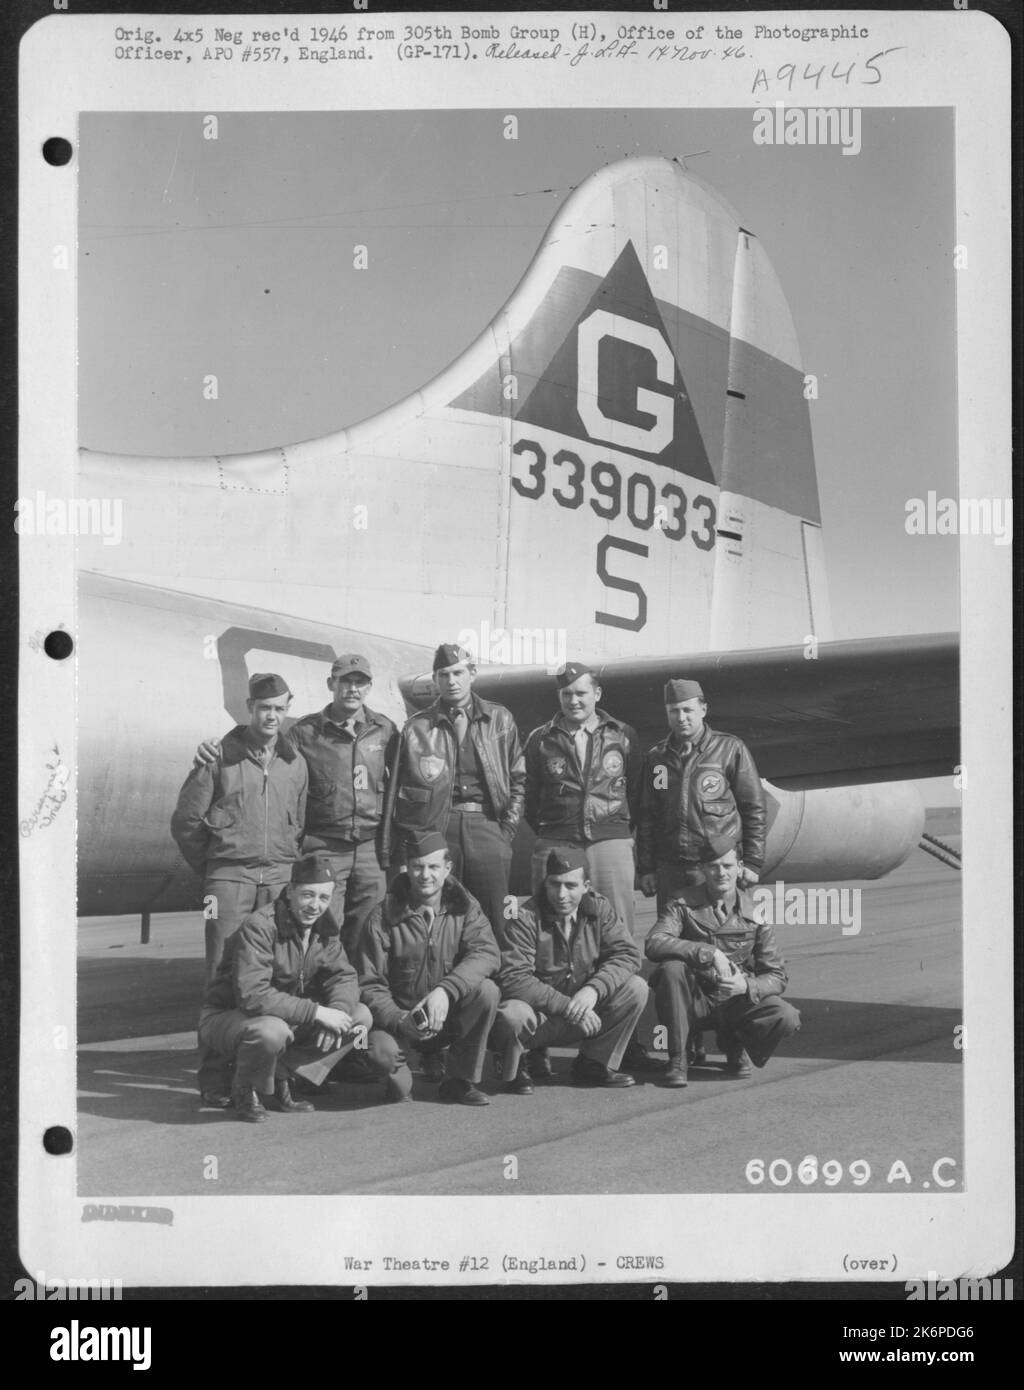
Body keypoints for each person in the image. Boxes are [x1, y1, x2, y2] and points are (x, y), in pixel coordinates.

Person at [192, 654, 397, 960]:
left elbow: (399, 786)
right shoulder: (305, 733)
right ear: (332, 684)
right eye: (345, 681)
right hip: (326, 846)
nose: (353, 689)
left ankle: (362, 997)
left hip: (369, 849)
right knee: (325, 927)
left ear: (368, 687)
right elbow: (267, 758)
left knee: (369, 929)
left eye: (360, 682)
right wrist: (216, 746)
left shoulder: (385, 729)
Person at [380, 643, 524, 1079]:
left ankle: (500, 1039)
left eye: (459, 673)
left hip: (486, 828)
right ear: (436, 680)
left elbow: (517, 776)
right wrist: (407, 850)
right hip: (439, 834)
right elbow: (399, 793)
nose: (452, 682)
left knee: (496, 933)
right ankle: (436, 1041)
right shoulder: (417, 727)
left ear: (473, 673)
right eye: (443, 676)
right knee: (438, 930)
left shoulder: (499, 718)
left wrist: (506, 831)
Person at [171, 672, 308, 1105]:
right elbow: (187, 823)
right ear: (250, 707)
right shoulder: (217, 757)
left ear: (288, 709)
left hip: (280, 880)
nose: (271, 716)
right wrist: (217, 869)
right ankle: (214, 1079)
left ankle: (272, 1081)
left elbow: (298, 824)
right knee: (220, 975)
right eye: (264, 707)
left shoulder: (294, 762)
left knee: (278, 975)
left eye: (280, 708)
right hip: (229, 882)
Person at [197, 853, 412, 1122]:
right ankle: (245, 1088)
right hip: (232, 1018)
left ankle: (281, 1075)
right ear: (290, 891)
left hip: (286, 1015)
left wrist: (336, 1010)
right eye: (308, 895)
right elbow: (253, 995)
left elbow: (343, 978)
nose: (315, 905)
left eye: (324, 898)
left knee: (359, 1016)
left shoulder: (325, 930)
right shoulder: (260, 926)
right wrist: (317, 1013)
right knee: (270, 1032)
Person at [522, 661, 658, 1075]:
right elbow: (530, 797)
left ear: (597, 694)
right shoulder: (540, 740)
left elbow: (636, 792)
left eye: (581, 693)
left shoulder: (623, 736)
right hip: (557, 839)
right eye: (566, 694)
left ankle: (622, 1041)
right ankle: (537, 1042)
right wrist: (555, 830)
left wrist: (615, 831)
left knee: (618, 937)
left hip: (610, 839)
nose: (574, 700)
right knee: (546, 936)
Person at [356, 830, 501, 1106]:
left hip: (447, 1017)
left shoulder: (465, 907)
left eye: (433, 867)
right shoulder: (382, 917)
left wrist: (445, 991)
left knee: (487, 991)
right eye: (418, 867)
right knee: (379, 1054)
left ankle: (459, 1080)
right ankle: (400, 1078)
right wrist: (400, 1019)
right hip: (401, 1022)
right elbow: (369, 983)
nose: (425, 875)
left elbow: (487, 953)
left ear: (447, 869)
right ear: (406, 868)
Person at [644, 834, 800, 1089]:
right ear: (703, 869)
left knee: (786, 1015)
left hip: (735, 1000)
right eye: (713, 866)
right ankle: (678, 1058)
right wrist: (708, 953)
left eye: (727, 866)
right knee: (671, 970)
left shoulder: (755, 914)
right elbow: (655, 941)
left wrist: (746, 987)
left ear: (739, 868)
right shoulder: (681, 903)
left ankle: (734, 1042)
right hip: (695, 1000)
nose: (721, 873)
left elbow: (777, 976)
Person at [492, 847, 649, 1093]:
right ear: (545, 883)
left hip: (584, 1010)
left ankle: (593, 1063)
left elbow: (627, 954)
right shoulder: (524, 917)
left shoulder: (599, 909)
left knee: (636, 988)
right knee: (512, 1014)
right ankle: (515, 1066)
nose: (562, 894)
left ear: (586, 885)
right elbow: (514, 978)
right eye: (555, 884)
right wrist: (566, 1006)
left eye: (570, 886)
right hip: (541, 1017)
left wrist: (594, 990)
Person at [637, 678, 766, 913]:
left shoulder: (729, 749)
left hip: (715, 868)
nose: (681, 717)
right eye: (674, 711)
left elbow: (753, 808)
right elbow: (649, 815)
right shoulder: (658, 759)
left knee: (724, 936)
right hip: (671, 869)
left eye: (688, 710)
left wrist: (753, 862)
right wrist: (646, 868)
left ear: (703, 710)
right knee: (673, 940)